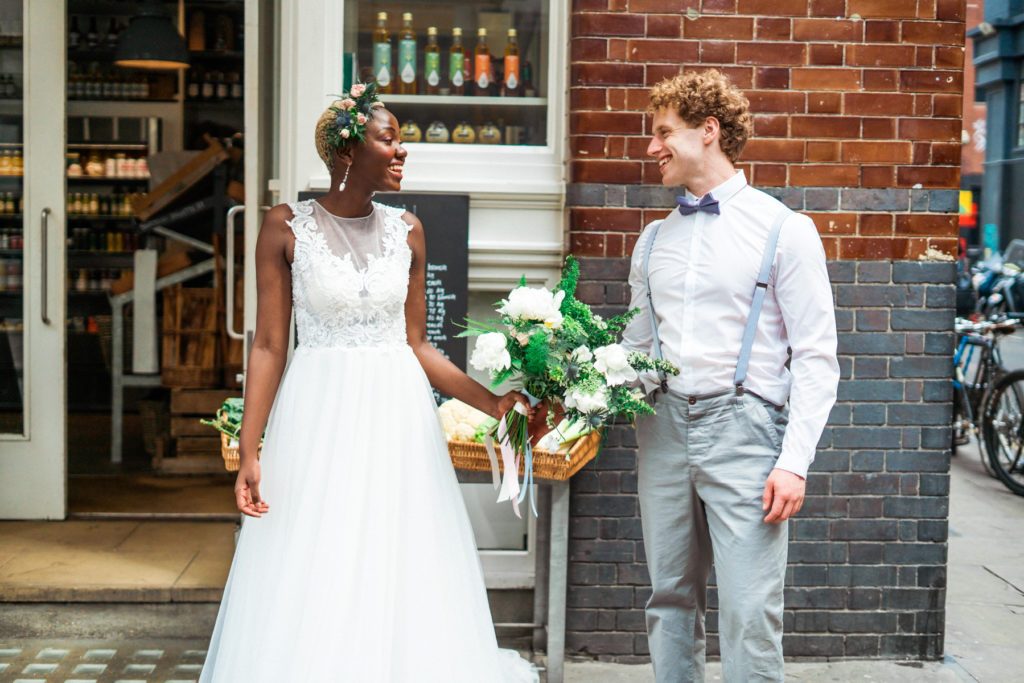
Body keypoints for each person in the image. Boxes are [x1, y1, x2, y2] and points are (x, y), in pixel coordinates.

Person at [199, 84, 538, 682]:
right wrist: (251, 448)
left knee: (394, 552)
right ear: (349, 150)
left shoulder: (407, 231)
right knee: (315, 554)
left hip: (394, 419)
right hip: (316, 419)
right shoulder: (285, 228)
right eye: (390, 138)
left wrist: (494, 404)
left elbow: (418, 345)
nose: (403, 150)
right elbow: (270, 345)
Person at [620, 69, 840, 682]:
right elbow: (639, 346)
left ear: (708, 131)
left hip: (746, 432)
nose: (651, 147)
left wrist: (794, 461)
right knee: (669, 600)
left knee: (749, 610)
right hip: (662, 430)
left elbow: (818, 357)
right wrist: (581, 394)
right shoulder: (654, 239)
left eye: (664, 132)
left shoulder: (784, 230)